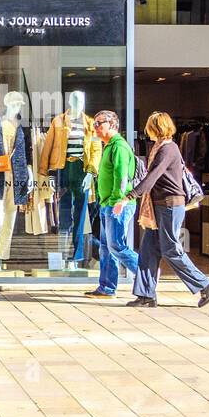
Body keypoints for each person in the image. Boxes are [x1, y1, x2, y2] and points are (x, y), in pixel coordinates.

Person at [116, 111, 209, 309]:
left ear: (156, 128)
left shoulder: (168, 149)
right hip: (159, 207)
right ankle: (146, 295)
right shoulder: (159, 147)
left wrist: (129, 197)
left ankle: (204, 283)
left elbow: (153, 176)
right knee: (147, 251)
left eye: (149, 126)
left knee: (171, 249)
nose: (147, 130)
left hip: (170, 206)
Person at [84, 110, 139, 299]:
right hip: (107, 203)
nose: (96, 127)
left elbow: (121, 176)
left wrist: (117, 201)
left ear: (112, 125)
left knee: (117, 246)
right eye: (95, 123)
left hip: (118, 204)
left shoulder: (119, 146)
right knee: (106, 248)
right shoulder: (108, 146)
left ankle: (146, 273)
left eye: (100, 123)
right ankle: (107, 287)